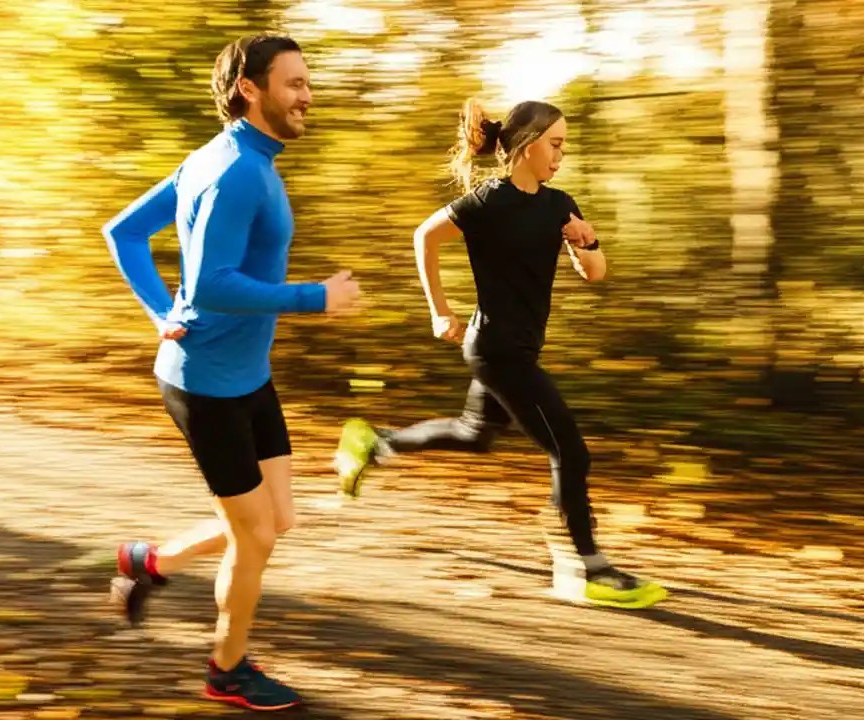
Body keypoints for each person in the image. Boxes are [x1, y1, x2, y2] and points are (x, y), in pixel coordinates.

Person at [101, 33, 360, 711]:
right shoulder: (237, 169)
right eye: (294, 83)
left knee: (277, 519)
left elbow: (123, 234)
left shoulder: (226, 158)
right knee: (256, 536)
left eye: (308, 82)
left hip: (248, 374)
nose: (307, 95)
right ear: (251, 88)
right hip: (206, 383)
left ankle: (148, 563)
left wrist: (164, 308)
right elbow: (213, 284)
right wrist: (315, 297)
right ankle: (227, 669)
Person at [333, 98, 668, 610]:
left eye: (564, 147)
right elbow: (424, 236)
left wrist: (586, 240)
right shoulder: (486, 203)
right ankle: (588, 568)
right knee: (570, 452)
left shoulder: (559, 204)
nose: (560, 156)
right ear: (529, 146)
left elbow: (595, 272)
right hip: (496, 350)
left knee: (475, 435)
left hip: (514, 348)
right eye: (555, 145)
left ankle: (375, 443)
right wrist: (438, 311)